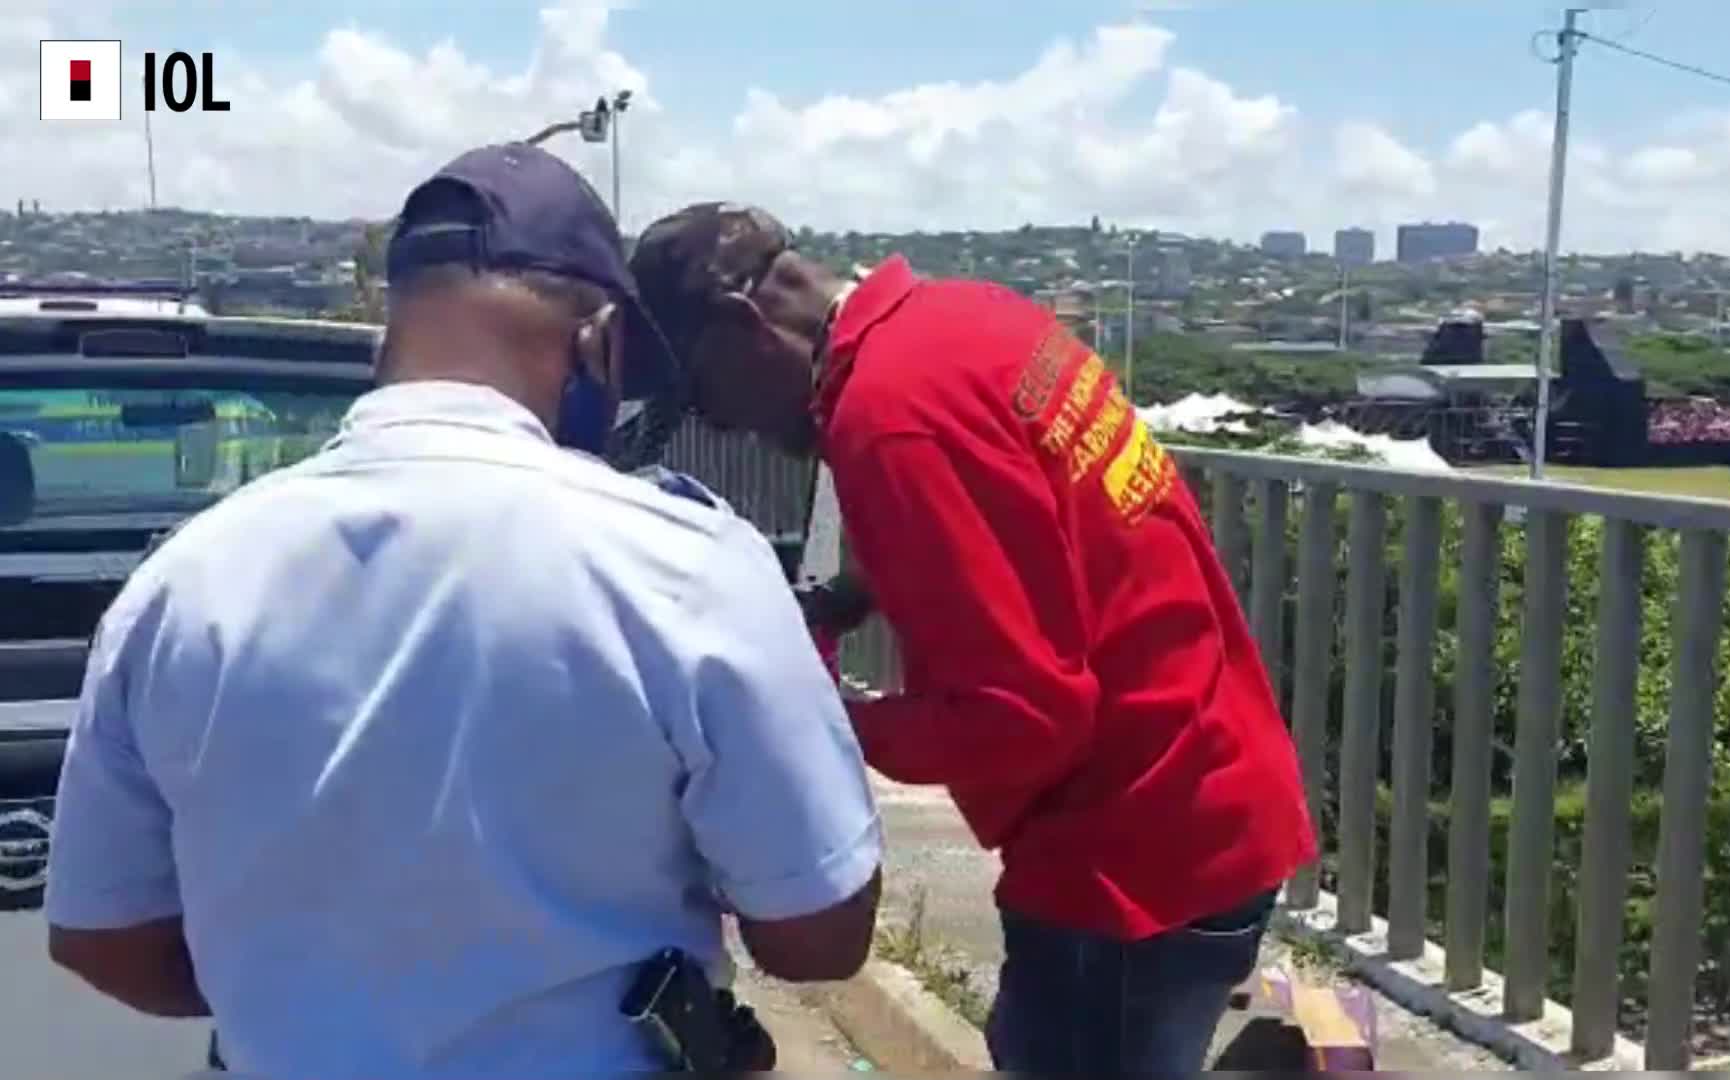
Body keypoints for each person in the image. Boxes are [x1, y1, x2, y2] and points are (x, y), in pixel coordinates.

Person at [43, 148, 882, 1079]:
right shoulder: (685, 564)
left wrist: (323, 992)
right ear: (599, 342)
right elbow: (820, 934)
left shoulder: (177, 588)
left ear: (387, 339)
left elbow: (100, 939)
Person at [626, 203, 1319, 1072]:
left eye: (702, 393)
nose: (719, 425)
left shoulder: (888, 418)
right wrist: (847, 601)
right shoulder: (966, 316)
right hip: (1213, 791)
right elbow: (1021, 527)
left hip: (1124, 861)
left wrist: (809, 720)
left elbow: (1025, 718)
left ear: (743, 324)